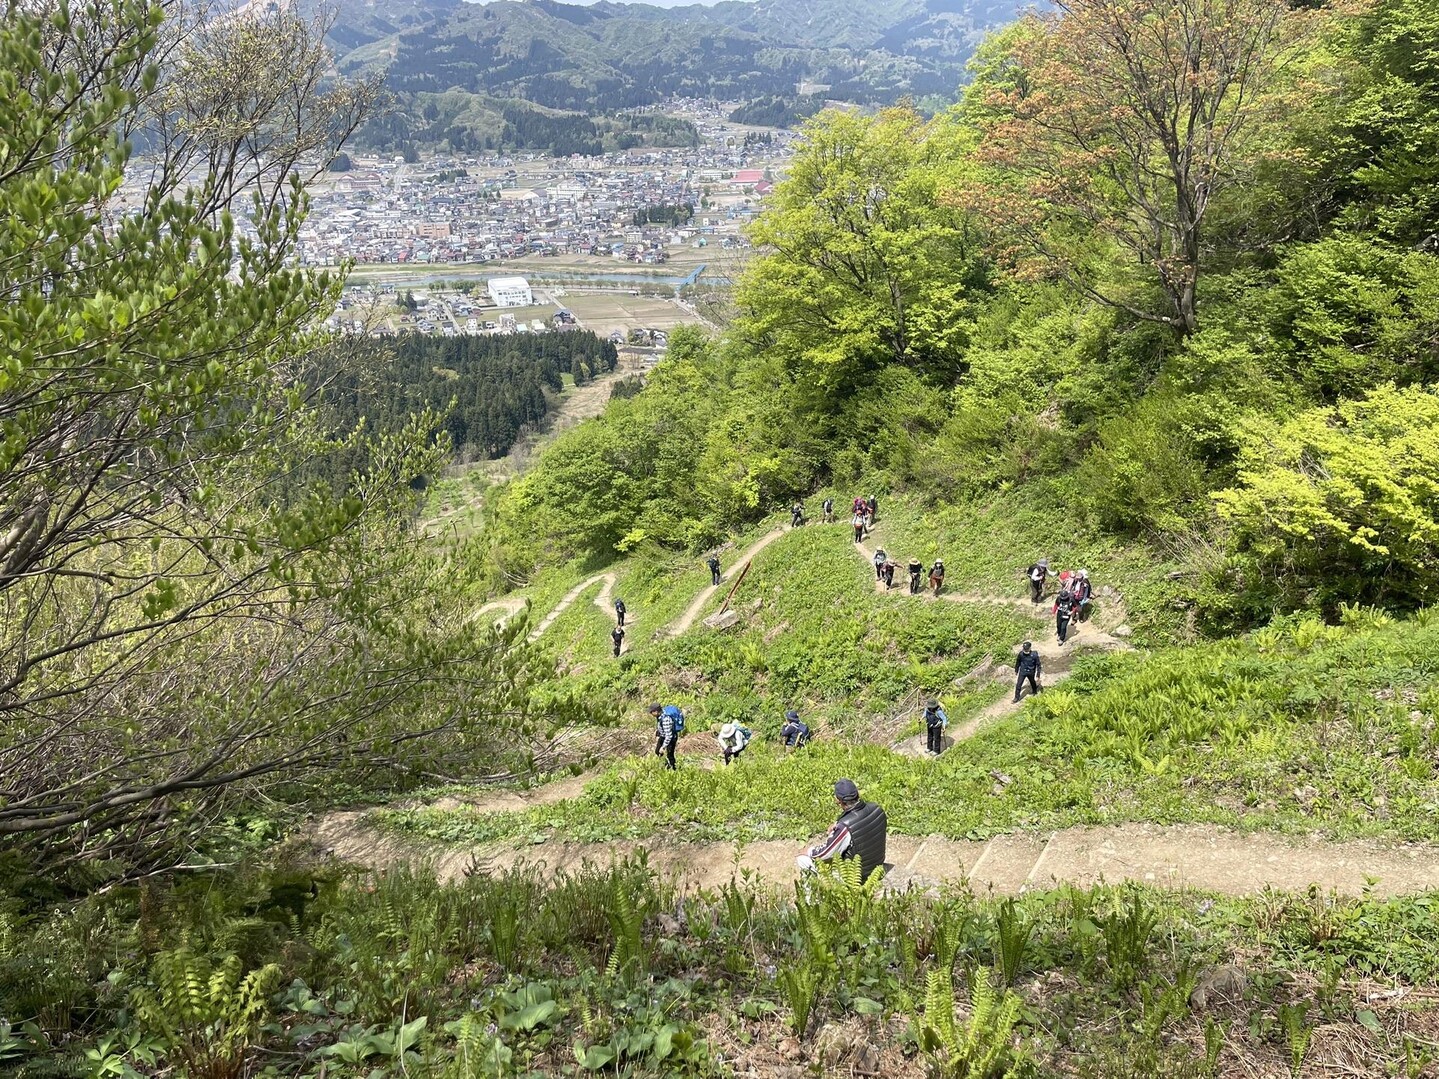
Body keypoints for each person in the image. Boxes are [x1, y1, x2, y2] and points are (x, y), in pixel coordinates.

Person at [795, 779, 888, 883]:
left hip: (857, 876)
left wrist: (809, 851)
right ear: (858, 793)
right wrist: (838, 825)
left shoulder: (844, 827)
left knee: (802, 859)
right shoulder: (877, 809)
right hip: (877, 866)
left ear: (837, 800)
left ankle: (810, 893)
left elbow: (825, 854)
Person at [650, 702, 684, 770]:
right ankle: (666, 765)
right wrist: (657, 733)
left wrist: (663, 747)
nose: (650, 713)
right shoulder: (660, 716)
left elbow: (669, 736)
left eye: (651, 712)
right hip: (663, 736)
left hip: (671, 738)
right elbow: (661, 726)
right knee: (657, 751)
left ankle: (673, 769)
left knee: (670, 755)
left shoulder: (666, 719)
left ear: (656, 711)